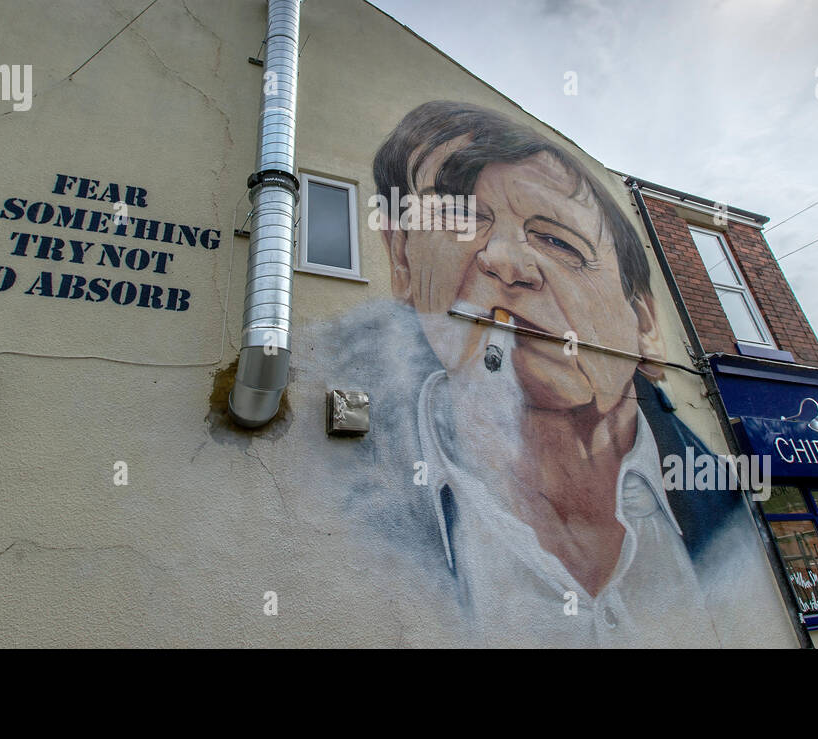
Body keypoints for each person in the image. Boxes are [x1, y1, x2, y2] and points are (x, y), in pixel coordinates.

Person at [331, 100, 786, 646]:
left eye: (557, 240)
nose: (506, 261)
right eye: (459, 218)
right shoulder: (339, 492)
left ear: (644, 324)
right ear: (402, 260)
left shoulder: (726, 508)